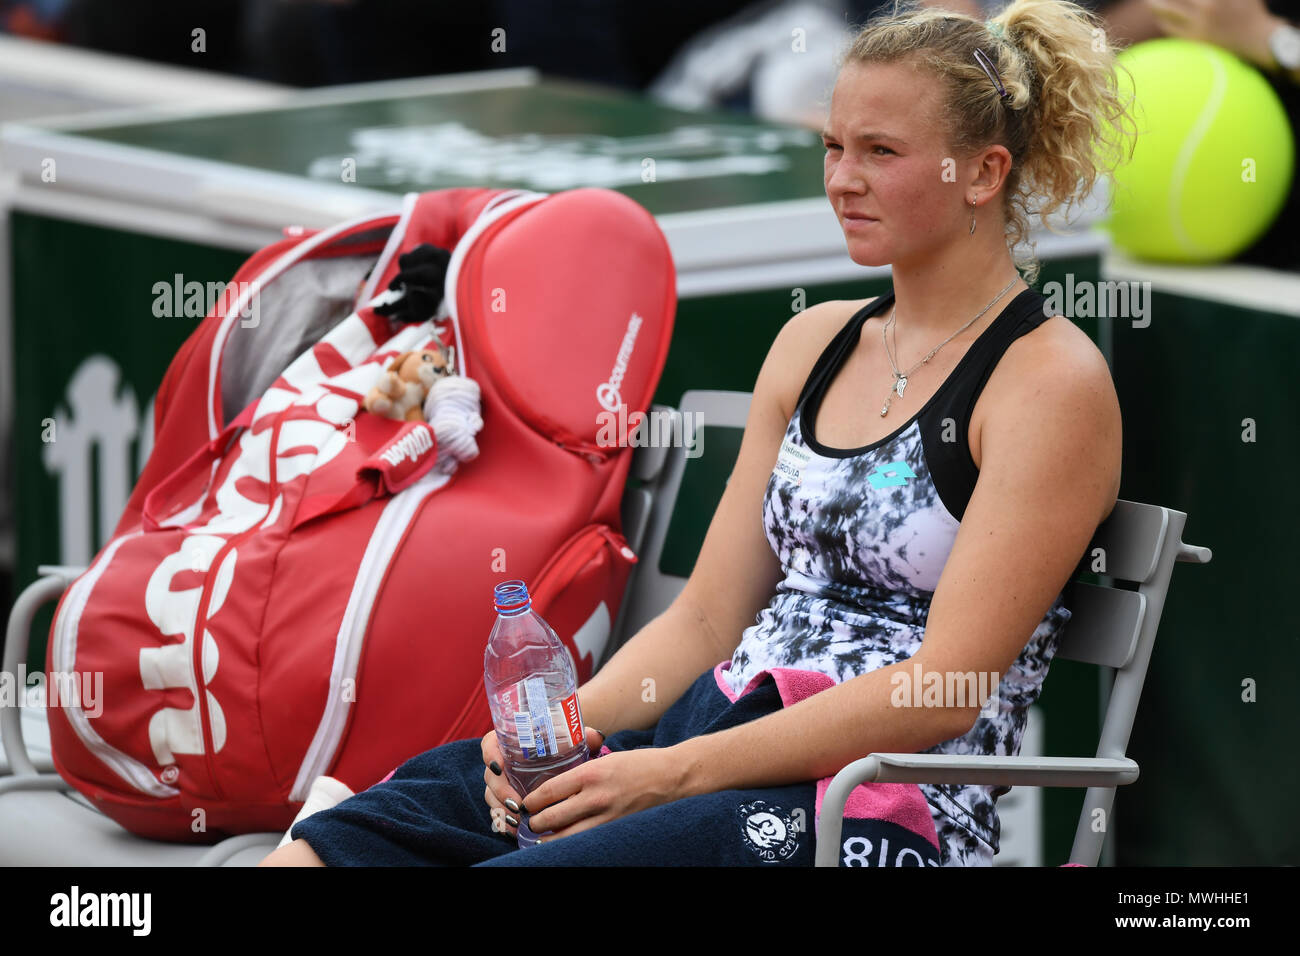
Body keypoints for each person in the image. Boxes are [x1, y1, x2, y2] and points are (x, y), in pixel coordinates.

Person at [260, 0, 1131, 868]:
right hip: (710, 735)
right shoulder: (813, 340)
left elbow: (945, 692)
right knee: (339, 845)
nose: (842, 180)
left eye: (881, 152)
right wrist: (566, 735)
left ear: (982, 174)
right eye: (834, 146)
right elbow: (710, 619)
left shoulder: (1050, 382)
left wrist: (671, 775)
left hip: (879, 806)